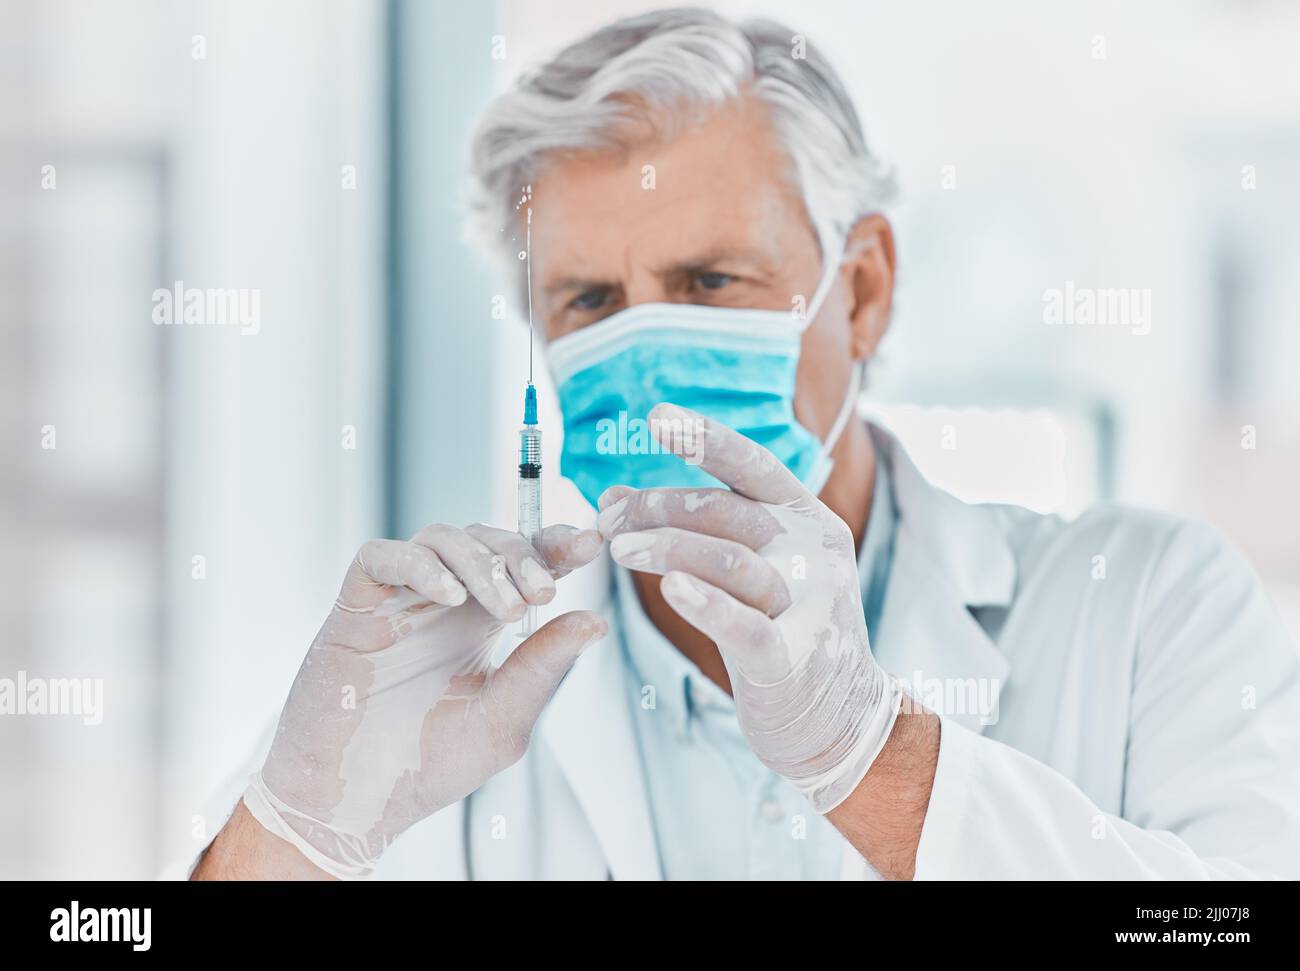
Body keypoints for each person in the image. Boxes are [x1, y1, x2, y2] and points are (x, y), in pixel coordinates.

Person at [187, 8, 1300, 881]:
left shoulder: (1148, 608)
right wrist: (303, 826)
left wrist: (870, 756)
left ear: (860, 290)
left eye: (707, 282)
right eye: (586, 299)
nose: (640, 347)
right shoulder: (441, 688)